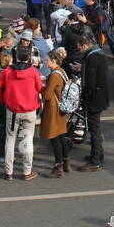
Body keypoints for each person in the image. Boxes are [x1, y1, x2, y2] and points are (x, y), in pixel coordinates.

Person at [0, 42, 43, 181]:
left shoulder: (7, 72)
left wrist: (6, 102)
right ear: (28, 58)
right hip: (29, 110)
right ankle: (27, 171)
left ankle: (8, 171)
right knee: (27, 140)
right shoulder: (33, 72)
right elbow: (40, 88)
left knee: (10, 139)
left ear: (15, 56)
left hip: (13, 110)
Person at [75, 34, 110, 172]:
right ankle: (98, 154)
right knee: (96, 127)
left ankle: (95, 160)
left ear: (85, 45)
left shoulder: (92, 59)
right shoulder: (98, 54)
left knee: (93, 129)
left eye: (79, 47)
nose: (79, 49)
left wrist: (84, 97)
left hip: (94, 99)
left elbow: (90, 83)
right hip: (101, 96)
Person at [41, 48, 72, 177]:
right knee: (61, 136)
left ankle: (58, 167)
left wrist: (42, 87)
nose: (45, 62)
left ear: (53, 61)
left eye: (47, 60)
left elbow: (47, 95)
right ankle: (65, 162)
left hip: (53, 109)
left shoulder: (54, 75)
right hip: (61, 108)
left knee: (54, 138)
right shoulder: (61, 71)